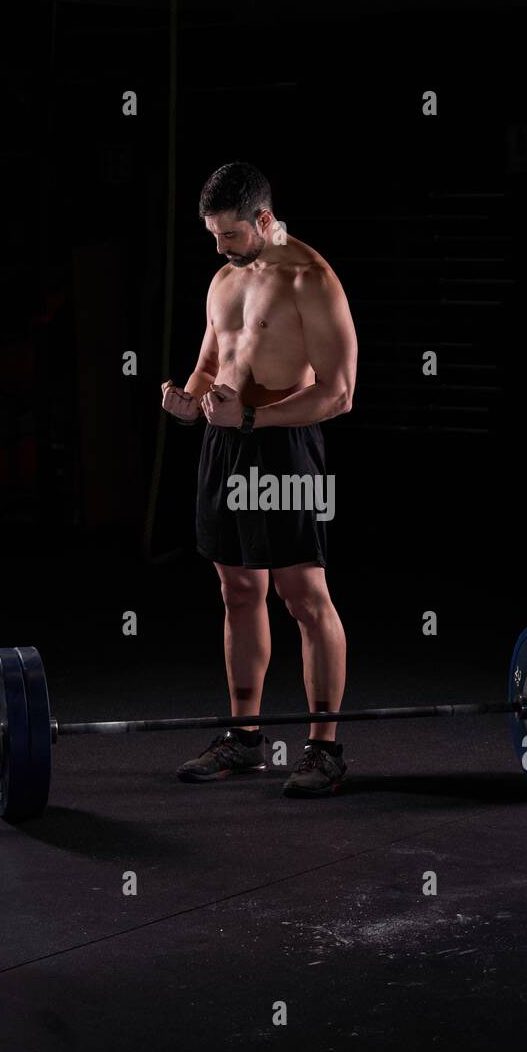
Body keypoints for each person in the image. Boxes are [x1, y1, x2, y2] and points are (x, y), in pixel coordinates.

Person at [161, 162, 357, 797]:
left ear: (264, 220)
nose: (218, 247)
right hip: (224, 445)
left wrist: (251, 415)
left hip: (284, 447)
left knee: (303, 595)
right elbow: (210, 359)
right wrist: (189, 402)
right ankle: (245, 741)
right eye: (212, 234)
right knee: (238, 591)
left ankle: (323, 750)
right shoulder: (223, 280)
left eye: (229, 235)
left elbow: (340, 394)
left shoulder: (311, 278)